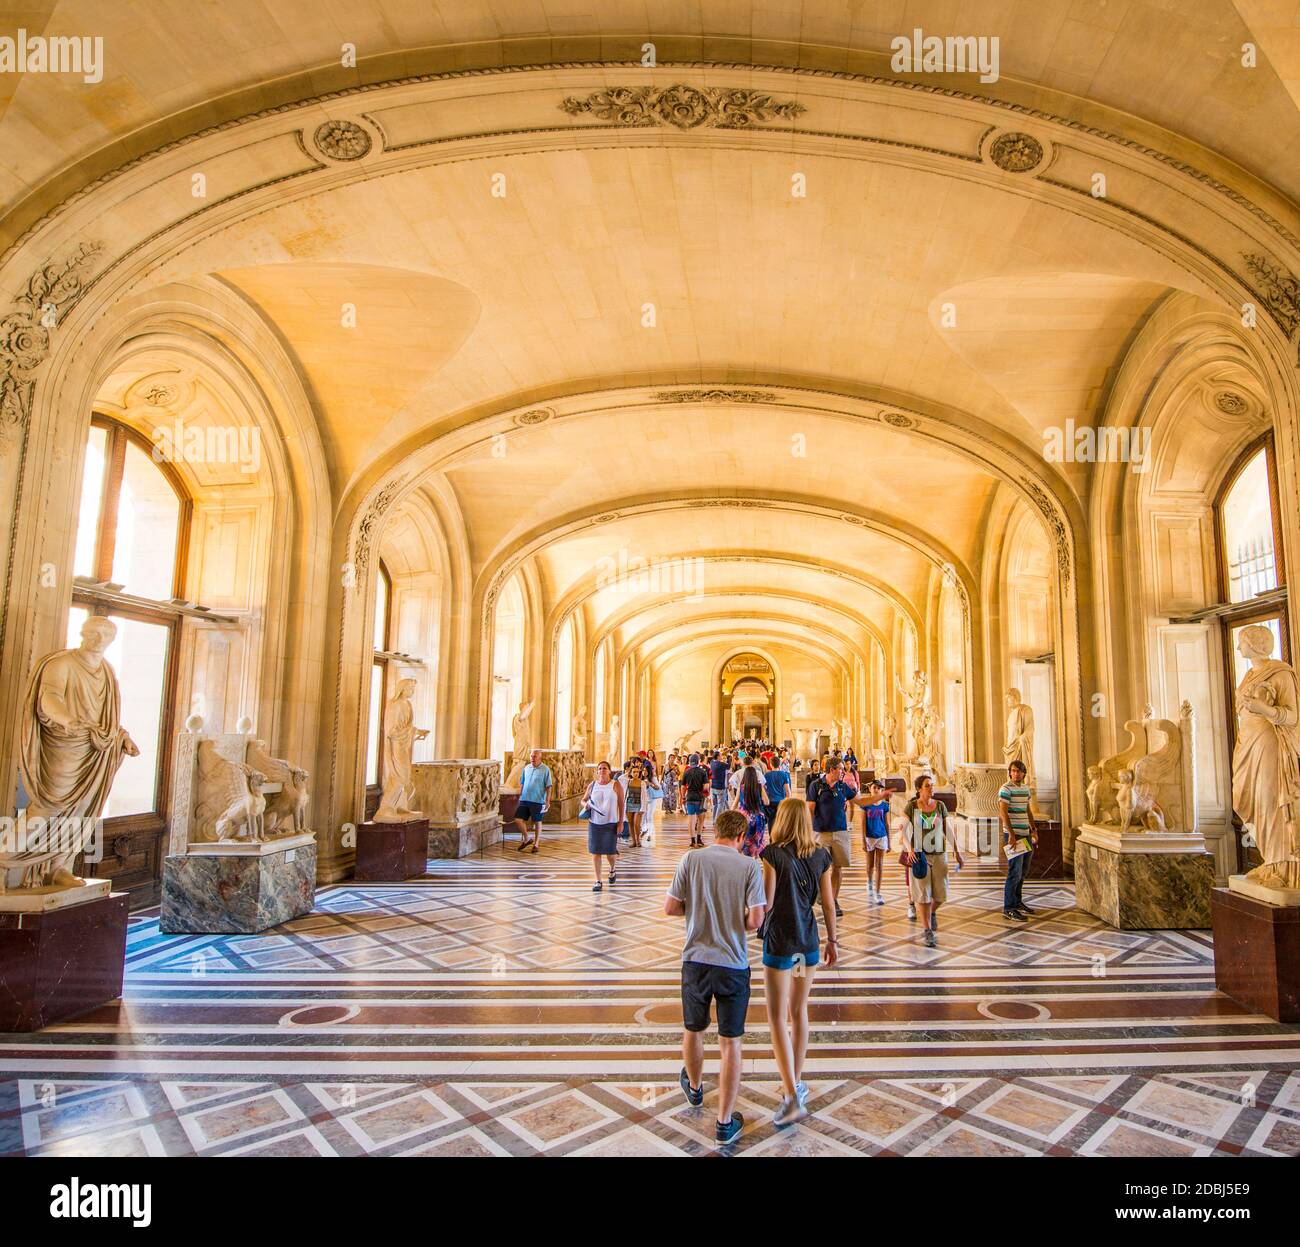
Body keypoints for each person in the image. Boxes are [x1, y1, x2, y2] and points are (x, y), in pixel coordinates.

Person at [665, 808, 767, 1146]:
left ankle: (694, 1089)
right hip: (733, 963)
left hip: (695, 959)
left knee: (693, 1029)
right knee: (730, 1042)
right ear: (741, 837)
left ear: (714, 830)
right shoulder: (750, 866)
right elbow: (755, 921)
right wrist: (730, 917)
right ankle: (724, 1121)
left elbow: (670, 907)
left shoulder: (691, 860)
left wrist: (698, 912)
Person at [760, 798, 836, 1128]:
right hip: (806, 944)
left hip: (780, 944)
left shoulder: (772, 854)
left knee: (777, 1016)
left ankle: (791, 1094)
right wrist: (832, 940)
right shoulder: (821, 855)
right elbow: (829, 905)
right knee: (799, 1010)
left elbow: (766, 900)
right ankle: (797, 1079)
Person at [901, 774, 964, 947]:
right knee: (923, 894)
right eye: (928, 785)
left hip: (939, 854)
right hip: (920, 855)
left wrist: (957, 851)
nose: (931, 788)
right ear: (919, 789)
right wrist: (909, 848)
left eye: (932, 785)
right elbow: (903, 831)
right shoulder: (912, 806)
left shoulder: (940, 806)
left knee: (941, 893)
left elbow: (947, 829)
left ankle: (931, 913)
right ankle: (927, 930)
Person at [806, 759, 872, 918]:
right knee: (820, 868)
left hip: (840, 832)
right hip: (821, 832)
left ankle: (833, 899)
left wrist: (880, 796)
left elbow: (861, 801)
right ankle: (822, 895)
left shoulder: (843, 786)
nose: (844, 771)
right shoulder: (816, 785)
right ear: (831, 769)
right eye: (841, 769)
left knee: (838, 867)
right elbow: (810, 810)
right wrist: (808, 832)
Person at [998, 759, 1038, 921]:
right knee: (1014, 871)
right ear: (1010, 772)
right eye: (1013, 771)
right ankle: (1008, 908)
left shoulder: (1025, 789)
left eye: (1019, 771)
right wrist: (1011, 835)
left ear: (1023, 773)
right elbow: (1003, 813)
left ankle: (1017, 901)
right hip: (1013, 835)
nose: (1016, 773)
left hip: (1026, 834)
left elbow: (1027, 809)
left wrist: (1033, 829)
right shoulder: (1005, 789)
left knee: (1023, 871)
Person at [582, 760, 625, 892]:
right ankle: (598, 880)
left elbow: (621, 804)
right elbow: (583, 800)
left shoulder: (615, 785)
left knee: (610, 853)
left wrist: (621, 822)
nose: (602, 771)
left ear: (609, 771)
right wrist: (586, 805)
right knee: (596, 853)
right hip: (595, 823)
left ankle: (612, 869)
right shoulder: (593, 785)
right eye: (600, 768)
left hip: (611, 822)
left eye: (604, 768)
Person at [512, 748, 551, 853]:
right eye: (531, 756)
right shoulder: (526, 768)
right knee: (518, 819)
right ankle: (526, 839)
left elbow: (548, 786)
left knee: (537, 821)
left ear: (540, 757)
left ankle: (536, 844)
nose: (532, 758)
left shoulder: (545, 769)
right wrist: (519, 795)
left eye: (535, 756)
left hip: (538, 800)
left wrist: (547, 801)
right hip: (525, 799)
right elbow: (522, 783)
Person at [860, 780, 892, 905]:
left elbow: (887, 823)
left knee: (880, 865)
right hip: (869, 837)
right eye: (874, 788)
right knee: (870, 865)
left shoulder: (884, 805)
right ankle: (869, 881)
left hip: (881, 836)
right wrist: (863, 840)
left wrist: (889, 842)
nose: (877, 790)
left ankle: (878, 892)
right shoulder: (866, 804)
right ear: (870, 789)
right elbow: (863, 822)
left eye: (879, 788)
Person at [732, 764, 768, 857]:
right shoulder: (759, 787)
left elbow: (735, 802)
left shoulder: (741, 787)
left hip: (744, 817)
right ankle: (754, 859)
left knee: (745, 839)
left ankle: (746, 859)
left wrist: (730, 812)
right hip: (757, 817)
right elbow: (767, 802)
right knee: (756, 841)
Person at [681, 752, 709, 847]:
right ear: (698, 761)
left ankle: (692, 841)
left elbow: (683, 786)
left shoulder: (687, 772)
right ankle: (699, 838)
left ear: (690, 762)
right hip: (700, 798)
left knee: (691, 819)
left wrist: (683, 797)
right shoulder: (703, 772)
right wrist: (705, 795)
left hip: (690, 797)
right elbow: (706, 787)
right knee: (701, 820)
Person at [624, 756, 647, 847]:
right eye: (634, 772)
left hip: (638, 805)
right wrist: (629, 771)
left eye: (637, 772)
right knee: (630, 824)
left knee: (636, 824)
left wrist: (643, 808)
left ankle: (638, 840)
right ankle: (633, 841)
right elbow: (620, 778)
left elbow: (644, 797)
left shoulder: (642, 783)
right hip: (629, 804)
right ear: (631, 773)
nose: (636, 773)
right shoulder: (627, 781)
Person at [763, 761, 791, 830]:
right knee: (781, 820)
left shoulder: (766, 775)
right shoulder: (784, 775)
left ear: (770, 764)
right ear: (779, 764)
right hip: (781, 801)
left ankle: (772, 838)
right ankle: (780, 836)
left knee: (771, 820)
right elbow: (788, 791)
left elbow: (763, 790)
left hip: (770, 801)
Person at [708, 750, 730, 825]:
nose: (721, 756)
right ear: (718, 756)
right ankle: (717, 820)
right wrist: (731, 759)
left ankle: (714, 820)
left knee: (715, 805)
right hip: (720, 787)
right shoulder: (721, 764)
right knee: (720, 804)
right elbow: (729, 766)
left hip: (713, 786)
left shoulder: (712, 762)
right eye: (720, 755)